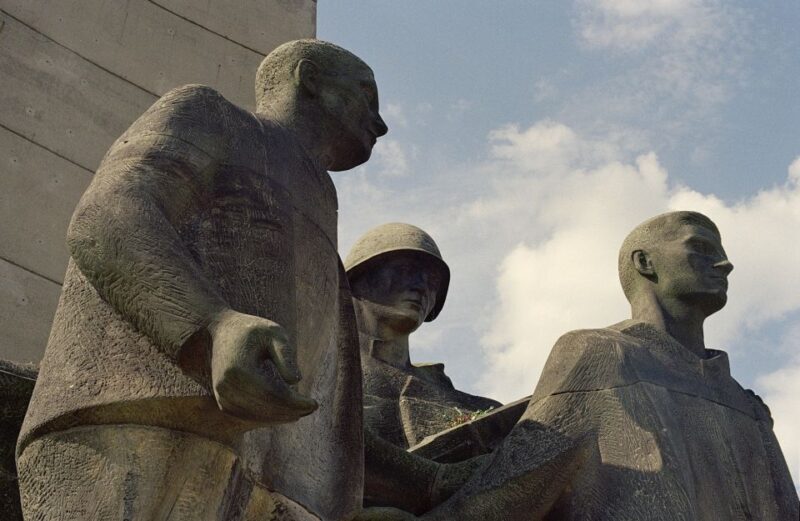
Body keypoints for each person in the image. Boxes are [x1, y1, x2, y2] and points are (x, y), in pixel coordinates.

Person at [18, 39, 387, 520]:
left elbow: (330, 394)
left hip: (273, 477)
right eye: (366, 95)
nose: (379, 123)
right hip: (144, 426)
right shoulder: (211, 115)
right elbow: (107, 215)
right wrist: (211, 323)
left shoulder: (323, 201)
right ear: (309, 78)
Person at [356, 211, 799, 521]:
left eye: (429, 279)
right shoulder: (599, 353)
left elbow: (518, 482)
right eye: (402, 270)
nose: (725, 263)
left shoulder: (749, 407)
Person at [345, 223, 500, 513]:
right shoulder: (321, 373)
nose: (420, 285)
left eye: (431, 280)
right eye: (405, 269)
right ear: (356, 280)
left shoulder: (458, 398)